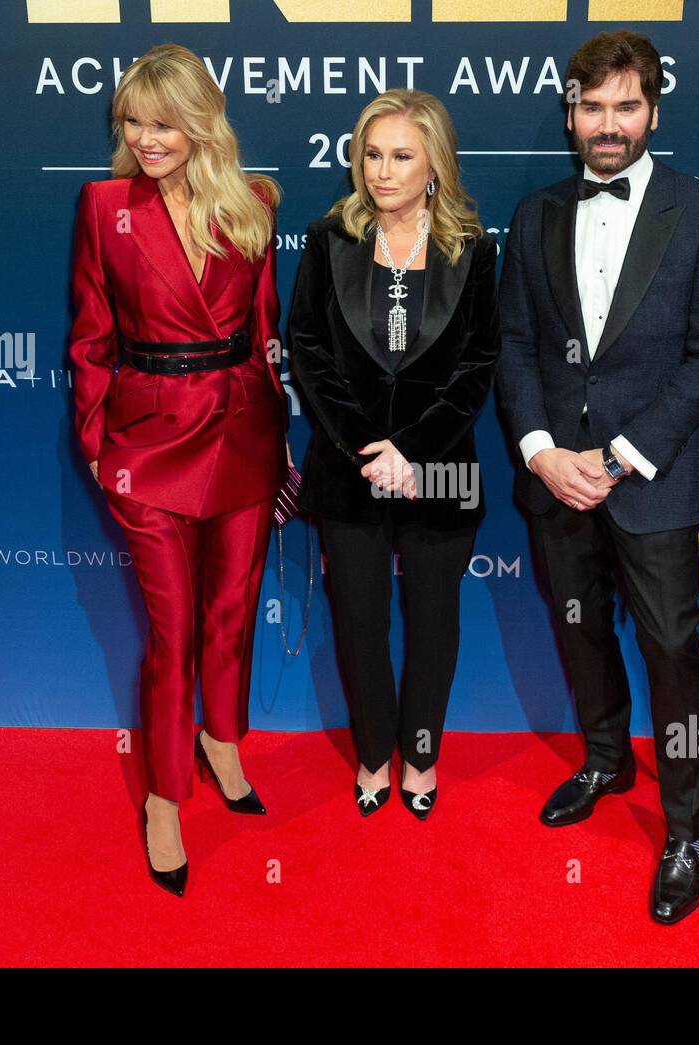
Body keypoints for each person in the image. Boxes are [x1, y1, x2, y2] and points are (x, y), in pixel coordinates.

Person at [495, 30, 699, 924]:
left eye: (625, 107)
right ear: (571, 112)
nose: (608, 125)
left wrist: (620, 455)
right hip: (556, 476)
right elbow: (516, 346)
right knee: (581, 628)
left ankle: (685, 823)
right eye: (591, 107)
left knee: (673, 651)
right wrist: (539, 450)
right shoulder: (534, 216)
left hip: (653, 477)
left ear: (652, 112)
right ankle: (604, 756)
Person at [66, 44, 290, 897]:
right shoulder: (102, 206)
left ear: (201, 121)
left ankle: (223, 743)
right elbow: (88, 336)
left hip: (241, 434)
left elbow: (265, 331)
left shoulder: (257, 202)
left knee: (232, 611)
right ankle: (165, 796)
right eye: (132, 122)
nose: (147, 139)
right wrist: (96, 438)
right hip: (148, 442)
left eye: (164, 123)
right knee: (174, 632)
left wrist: (281, 442)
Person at [287, 89, 500, 821]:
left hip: (438, 469)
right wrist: (363, 449)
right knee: (360, 620)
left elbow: (478, 363)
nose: (382, 171)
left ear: (435, 162)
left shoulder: (473, 248)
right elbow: (309, 352)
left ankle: (421, 753)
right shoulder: (329, 238)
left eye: (401, 156)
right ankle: (374, 752)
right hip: (349, 470)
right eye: (371, 154)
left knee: (434, 620)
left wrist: (411, 449)